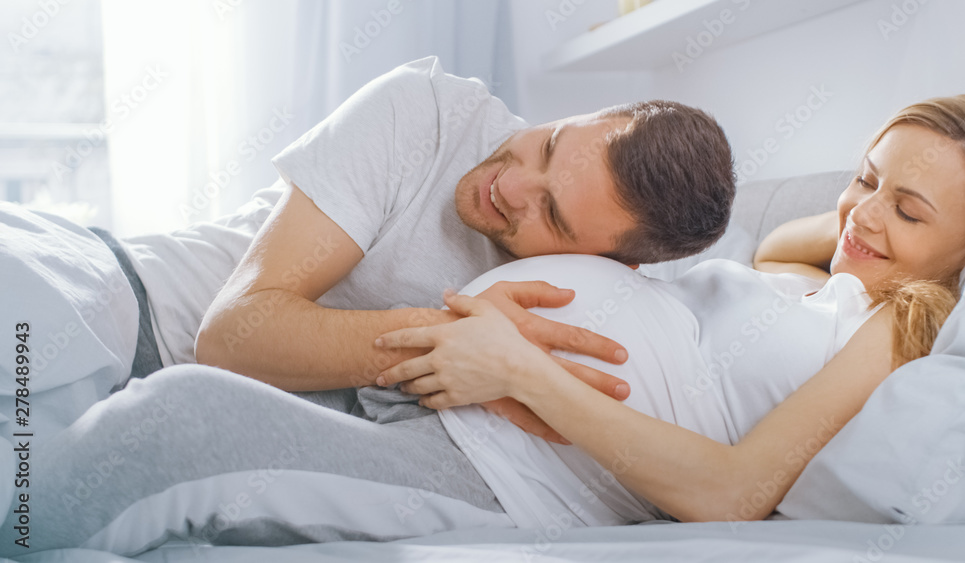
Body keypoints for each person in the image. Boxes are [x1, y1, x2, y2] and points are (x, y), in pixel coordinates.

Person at [11, 95, 965, 556]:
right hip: (449, 394)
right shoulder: (817, 271)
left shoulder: (897, 332)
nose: (864, 215)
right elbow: (795, 233)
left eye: (908, 211)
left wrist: (522, 372)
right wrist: (884, 210)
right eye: (865, 178)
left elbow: (731, 490)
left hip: (519, 467)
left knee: (177, 423)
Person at [0, 56, 736, 446]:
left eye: (550, 212)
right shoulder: (424, 111)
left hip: (165, 419)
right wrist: (461, 340)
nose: (510, 184)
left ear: (609, 264)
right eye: (548, 145)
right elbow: (231, 336)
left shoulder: (591, 310)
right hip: (113, 299)